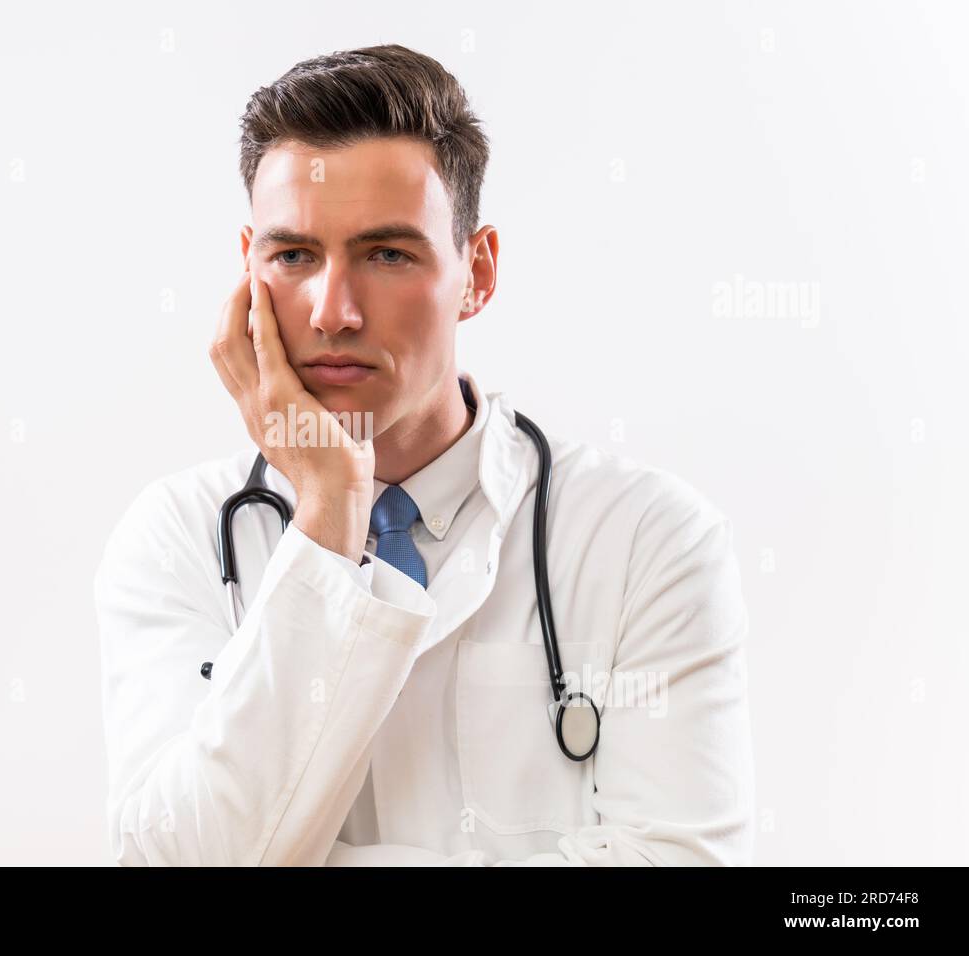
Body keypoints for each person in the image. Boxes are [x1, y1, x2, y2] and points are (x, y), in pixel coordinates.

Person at [94, 44, 755, 866]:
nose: (333, 311)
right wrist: (329, 512)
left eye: (387, 254)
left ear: (476, 274)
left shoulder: (647, 538)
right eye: (294, 255)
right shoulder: (176, 538)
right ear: (248, 269)